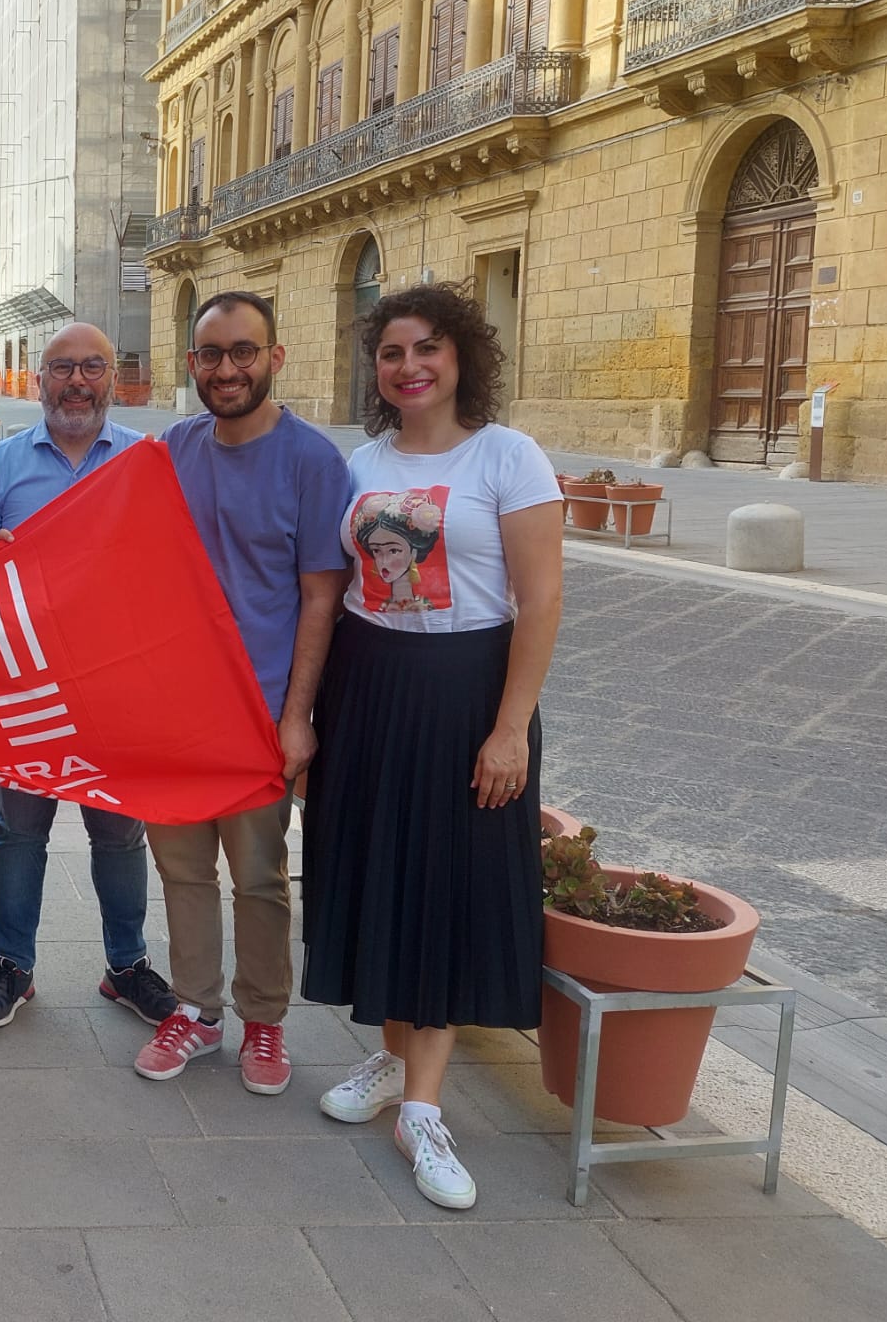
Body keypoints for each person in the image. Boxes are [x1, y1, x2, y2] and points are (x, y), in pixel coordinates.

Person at [304, 284, 563, 1211]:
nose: (409, 367)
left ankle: (423, 1109)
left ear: (461, 358)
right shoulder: (358, 463)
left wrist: (508, 727)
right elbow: (333, 592)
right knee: (381, 870)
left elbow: (539, 603)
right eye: (390, 354)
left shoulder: (508, 457)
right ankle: (388, 1055)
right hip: (371, 686)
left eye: (427, 350)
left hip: (466, 691)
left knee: (446, 878)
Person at [137, 290, 348, 1091]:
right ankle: (195, 1009)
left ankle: (264, 1022)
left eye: (243, 353)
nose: (226, 370)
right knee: (182, 869)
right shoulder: (171, 451)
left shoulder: (313, 461)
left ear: (274, 359)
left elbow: (321, 599)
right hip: (174, 714)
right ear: (193, 364)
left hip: (260, 711)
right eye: (211, 355)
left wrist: (297, 717)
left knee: (259, 873)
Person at [0, 323, 176, 1029]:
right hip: (29, 687)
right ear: (40, 379)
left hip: (118, 686)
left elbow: (169, 571)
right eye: (61, 369)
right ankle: (12, 967)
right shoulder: (4, 462)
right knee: (18, 831)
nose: (76, 382)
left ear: (113, 378)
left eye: (92, 368)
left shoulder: (148, 462)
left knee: (119, 834)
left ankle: (127, 966)